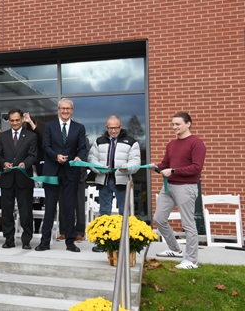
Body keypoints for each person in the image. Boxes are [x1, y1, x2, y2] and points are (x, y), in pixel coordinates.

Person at [152, 112, 206, 269]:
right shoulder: (171, 144)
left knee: (188, 223)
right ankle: (174, 248)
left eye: (177, 124)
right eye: (172, 124)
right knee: (159, 218)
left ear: (188, 124)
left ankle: (192, 260)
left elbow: (196, 167)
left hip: (186, 187)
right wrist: (155, 167)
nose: (174, 127)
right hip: (168, 186)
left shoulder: (197, 143)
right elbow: (165, 164)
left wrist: (173, 171)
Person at [37, 98, 87, 253]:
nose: (65, 111)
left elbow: (82, 147)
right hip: (52, 171)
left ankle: (70, 242)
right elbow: (45, 146)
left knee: (69, 208)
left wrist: (79, 157)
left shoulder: (79, 128)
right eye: (62, 108)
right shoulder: (49, 126)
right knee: (50, 207)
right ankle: (45, 241)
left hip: (70, 172)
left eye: (68, 108)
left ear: (72, 110)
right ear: (58, 110)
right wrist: (56, 156)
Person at [88, 115, 141, 252]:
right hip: (104, 180)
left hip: (122, 180)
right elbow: (91, 159)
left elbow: (135, 161)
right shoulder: (99, 141)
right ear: (106, 127)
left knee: (124, 212)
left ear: (120, 126)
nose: (113, 130)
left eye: (116, 127)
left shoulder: (131, 142)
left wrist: (127, 167)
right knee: (104, 212)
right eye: (110, 128)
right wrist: (100, 167)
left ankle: (126, 243)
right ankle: (103, 243)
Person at [0, 109, 38, 250]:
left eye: (17, 120)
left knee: (26, 211)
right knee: (6, 211)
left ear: (22, 119)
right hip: (7, 179)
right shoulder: (2, 136)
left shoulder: (31, 136)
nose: (14, 123)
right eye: (12, 120)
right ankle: (9, 239)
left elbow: (33, 155)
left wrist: (24, 164)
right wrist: (3, 163)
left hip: (24, 179)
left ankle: (26, 240)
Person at [23, 113, 45, 233]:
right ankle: (27, 229)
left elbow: (39, 136)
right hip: (26, 174)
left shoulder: (40, 144)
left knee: (38, 205)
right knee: (26, 205)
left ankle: (36, 229)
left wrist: (30, 122)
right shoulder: (24, 142)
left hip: (38, 176)